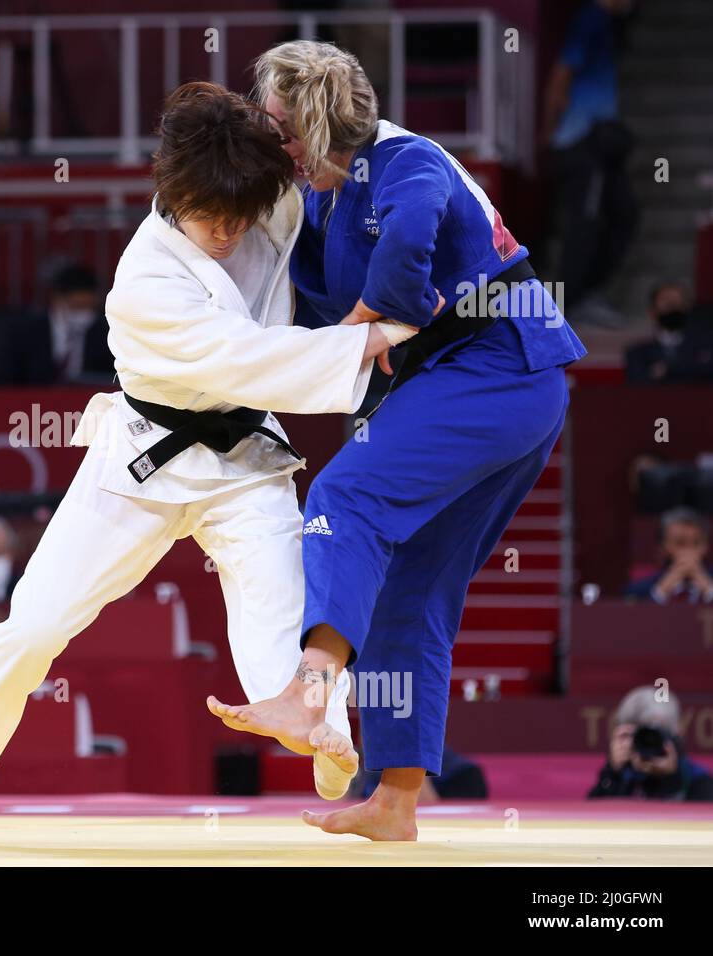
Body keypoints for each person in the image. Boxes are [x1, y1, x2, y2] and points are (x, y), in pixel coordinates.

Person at [0, 81, 399, 844]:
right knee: (33, 625)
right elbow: (251, 358)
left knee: (280, 620)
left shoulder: (262, 194)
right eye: (213, 218)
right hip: (144, 460)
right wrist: (369, 340)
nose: (231, 231)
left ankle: (325, 732)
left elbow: (329, 145)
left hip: (244, 456)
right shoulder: (145, 281)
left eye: (243, 214)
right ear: (172, 195)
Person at [207, 41, 586, 841]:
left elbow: (411, 242)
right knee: (409, 591)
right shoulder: (319, 203)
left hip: (501, 368)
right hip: (459, 382)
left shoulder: (406, 160)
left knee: (346, 496)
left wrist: (361, 327)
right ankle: (396, 798)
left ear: (310, 119)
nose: (269, 137)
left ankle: (311, 688)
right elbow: (304, 306)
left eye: (277, 122)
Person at [542, 0, 638, 316]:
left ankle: (588, 293)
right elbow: (561, 74)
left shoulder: (611, 25)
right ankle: (570, 301)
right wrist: (549, 130)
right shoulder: (591, 18)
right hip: (580, 140)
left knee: (624, 214)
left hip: (603, 142)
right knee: (584, 220)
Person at [589, 686, 713, 801]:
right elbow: (592, 816)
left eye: (655, 735)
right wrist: (612, 773)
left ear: (676, 735)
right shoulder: (624, 776)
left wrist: (671, 778)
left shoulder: (698, 781)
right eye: (639, 735)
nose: (647, 742)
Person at [11, 263, 115, 384]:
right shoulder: (27, 333)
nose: (83, 313)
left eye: (88, 307)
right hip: (37, 400)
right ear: (57, 299)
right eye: (77, 306)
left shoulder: (107, 332)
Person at [624, 282, 713, 383]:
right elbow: (637, 386)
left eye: (677, 302)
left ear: (687, 309)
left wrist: (667, 369)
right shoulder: (637, 354)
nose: (672, 306)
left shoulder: (707, 347)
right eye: (667, 303)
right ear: (652, 312)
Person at [624, 508, 713, 604]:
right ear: (663, 546)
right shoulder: (639, 589)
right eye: (680, 543)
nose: (689, 549)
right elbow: (632, 616)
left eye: (696, 543)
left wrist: (708, 588)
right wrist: (662, 590)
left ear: (706, 546)